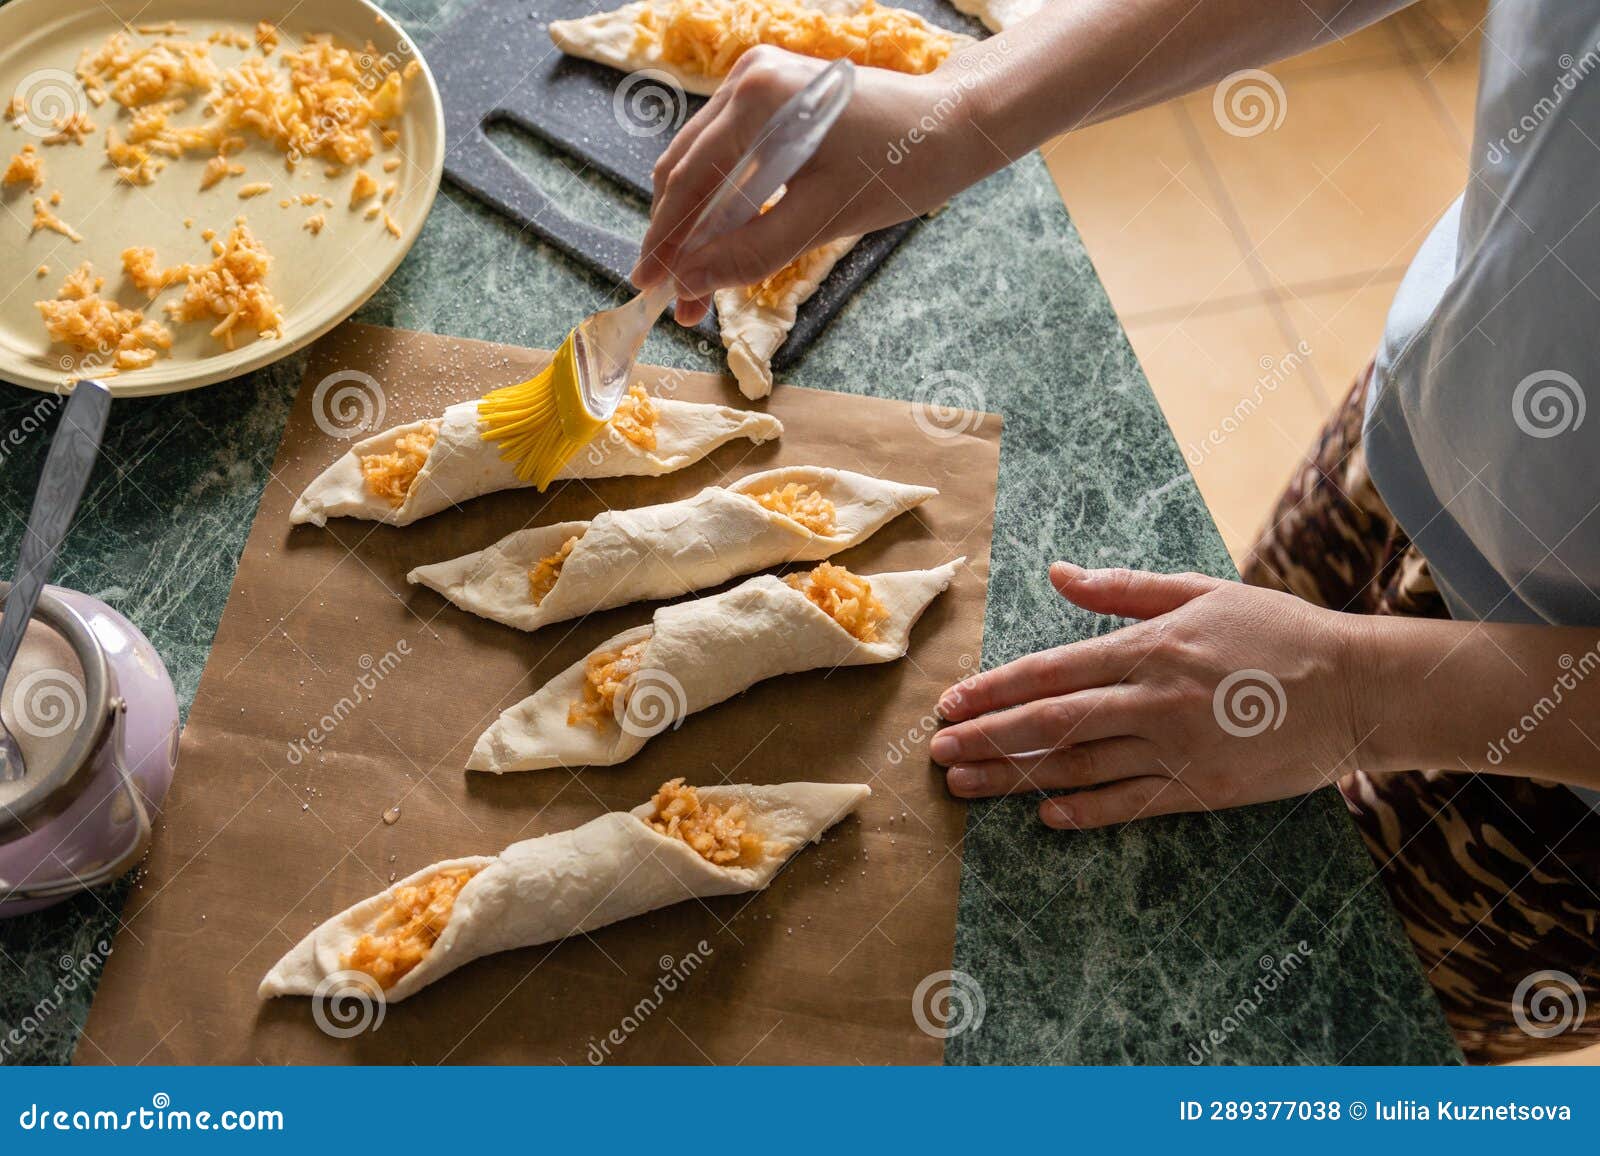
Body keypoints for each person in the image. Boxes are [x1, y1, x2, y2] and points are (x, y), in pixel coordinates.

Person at [632, 1, 1600, 1063]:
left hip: (1552, 800)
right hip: (1434, 412)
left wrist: (1355, 690)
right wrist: (964, 108)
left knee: (1287, 1015)